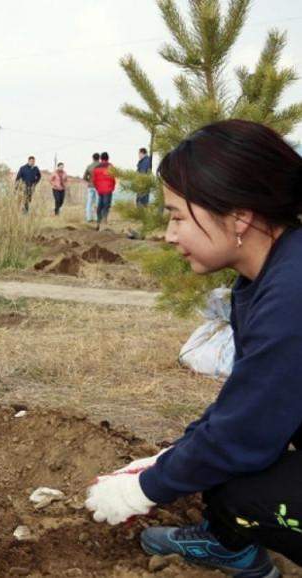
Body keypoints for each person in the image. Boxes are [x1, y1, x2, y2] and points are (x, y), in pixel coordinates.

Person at [85, 120, 302, 577]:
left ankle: (233, 538)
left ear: (239, 217)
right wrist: (174, 456)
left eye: (178, 216)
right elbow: (250, 400)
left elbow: (245, 434)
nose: (169, 234)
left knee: (240, 489)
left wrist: (146, 488)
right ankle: (228, 539)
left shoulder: (291, 296)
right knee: (213, 462)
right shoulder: (269, 275)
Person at [93, 152, 116, 229]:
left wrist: (97, 188)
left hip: (100, 189)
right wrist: (113, 187)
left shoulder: (96, 168)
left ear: (101, 159)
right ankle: (104, 219)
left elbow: (94, 180)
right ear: (108, 158)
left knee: (100, 204)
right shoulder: (111, 167)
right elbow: (113, 178)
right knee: (106, 204)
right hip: (108, 189)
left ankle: (98, 220)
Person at [83, 152, 100, 222]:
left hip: (90, 186)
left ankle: (89, 218)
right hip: (98, 186)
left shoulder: (89, 166)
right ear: (99, 158)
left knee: (89, 202)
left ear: (93, 158)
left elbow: (84, 177)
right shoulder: (101, 166)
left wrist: (89, 181)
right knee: (97, 202)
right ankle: (97, 218)